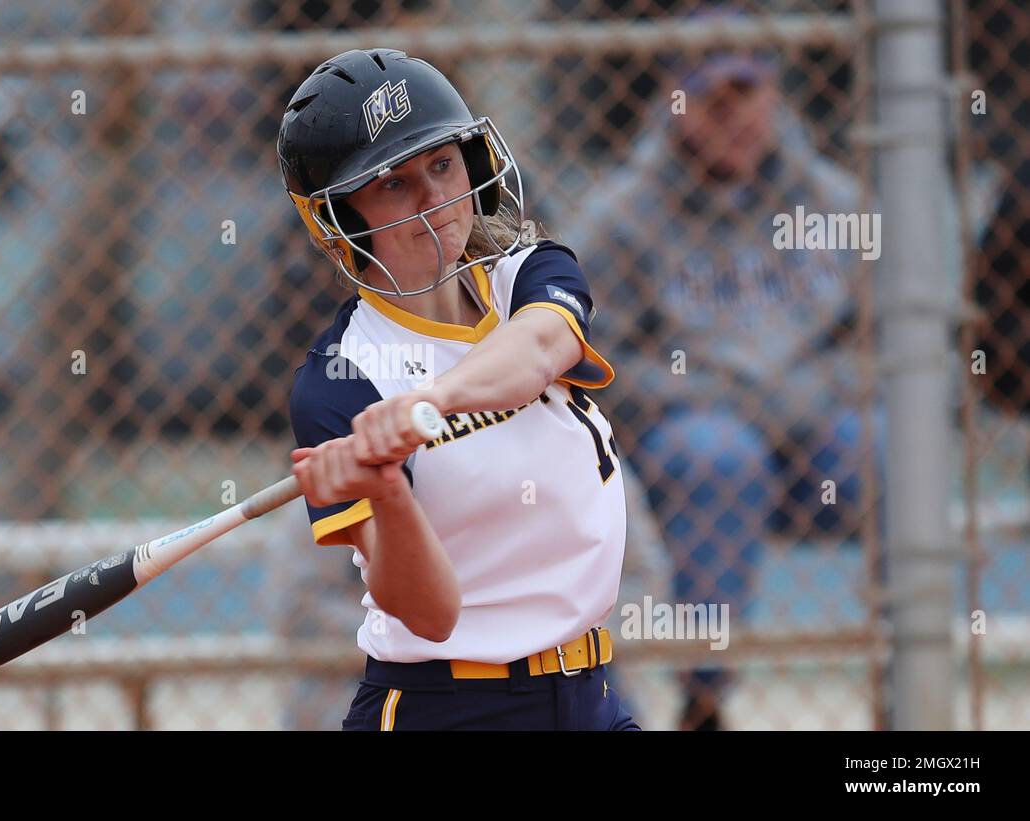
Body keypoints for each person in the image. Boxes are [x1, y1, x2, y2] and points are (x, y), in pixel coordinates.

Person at [278, 48, 637, 731]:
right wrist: (383, 487)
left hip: (588, 696)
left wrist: (428, 404)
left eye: (442, 164)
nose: (434, 199)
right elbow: (430, 614)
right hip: (446, 709)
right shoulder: (340, 381)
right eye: (391, 183)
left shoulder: (530, 274)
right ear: (338, 221)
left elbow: (536, 351)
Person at [563, 45, 878, 730]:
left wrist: (807, 391)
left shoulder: (834, 200)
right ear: (676, 107)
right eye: (712, 100)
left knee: (884, 446)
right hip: (683, 443)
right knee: (721, 455)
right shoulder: (622, 213)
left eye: (749, 93)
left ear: (777, 97)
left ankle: (903, 664)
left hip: (814, 435)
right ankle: (705, 695)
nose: (734, 116)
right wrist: (713, 395)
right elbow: (588, 359)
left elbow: (888, 345)